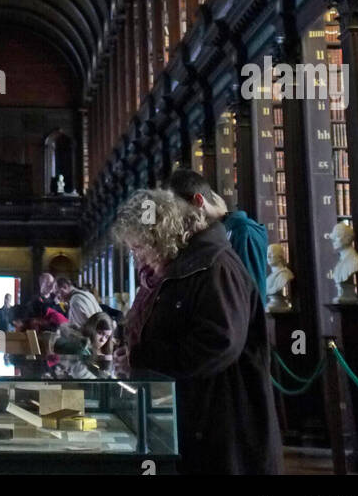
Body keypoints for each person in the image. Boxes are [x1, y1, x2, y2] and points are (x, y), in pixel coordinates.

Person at [114, 188, 282, 476]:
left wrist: (143, 358)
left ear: (161, 237)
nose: (138, 259)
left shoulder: (214, 266)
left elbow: (218, 344)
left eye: (139, 248)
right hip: (199, 423)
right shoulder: (185, 267)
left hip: (222, 429)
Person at [168, 167, 268, 305]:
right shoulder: (210, 237)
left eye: (177, 212)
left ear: (198, 201)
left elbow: (252, 301)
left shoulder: (244, 232)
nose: (176, 222)